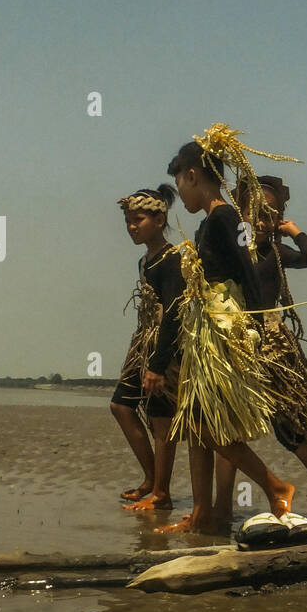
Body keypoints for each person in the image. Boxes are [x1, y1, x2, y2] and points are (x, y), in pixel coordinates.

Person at [156, 135, 295, 535]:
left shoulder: (226, 219)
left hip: (223, 328)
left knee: (203, 425)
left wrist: (253, 327)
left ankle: (275, 485)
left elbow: (248, 271)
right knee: (198, 422)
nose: (180, 192)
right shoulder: (210, 222)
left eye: (180, 182)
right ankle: (204, 514)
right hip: (203, 329)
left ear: (193, 175)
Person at [217, 175, 307, 525]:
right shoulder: (234, 253)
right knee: (227, 426)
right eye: (255, 214)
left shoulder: (277, 252)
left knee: (291, 430)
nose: (262, 222)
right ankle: (220, 508)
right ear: (241, 215)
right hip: (236, 346)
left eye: (270, 215)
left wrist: (292, 229)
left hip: (272, 350)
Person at [109, 186, 182, 512]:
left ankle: (161, 493)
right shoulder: (145, 260)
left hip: (164, 346)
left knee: (161, 418)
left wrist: (158, 361)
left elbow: (174, 312)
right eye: (127, 221)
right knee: (121, 406)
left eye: (138, 220)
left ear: (159, 218)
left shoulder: (171, 259)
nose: (131, 227)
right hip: (143, 341)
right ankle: (152, 481)